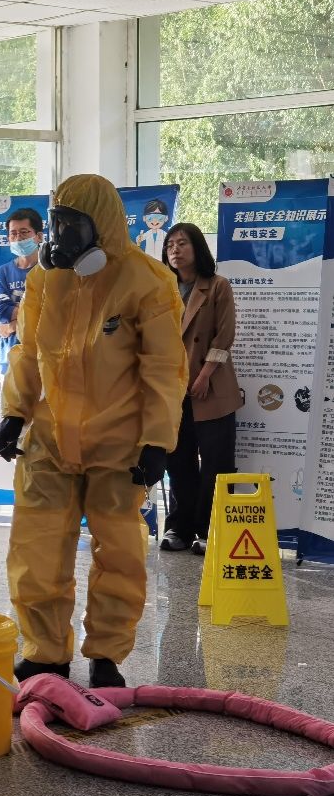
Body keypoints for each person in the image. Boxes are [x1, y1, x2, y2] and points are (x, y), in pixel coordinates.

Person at [0, 174, 186, 689]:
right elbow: (28, 350)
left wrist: (157, 440)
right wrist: (15, 411)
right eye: (55, 223)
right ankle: (45, 653)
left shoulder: (148, 281)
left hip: (118, 443)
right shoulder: (45, 279)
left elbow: (165, 369)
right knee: (36, 550)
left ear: (100, 226)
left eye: (70, 225)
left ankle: (106, 654)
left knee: (119, 552)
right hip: (50, 440)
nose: (59, 236)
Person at [160, 223, 243, 555]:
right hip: (172, 389)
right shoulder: (162, 290)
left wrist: (205, 374)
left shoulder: (217, 285)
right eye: (170, 245)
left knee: (215, 462)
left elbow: (225, 335)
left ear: (198, 248)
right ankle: (178, 528)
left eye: (182, 243)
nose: (175, 250)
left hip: (212, 387)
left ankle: (210, 530)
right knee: (178, 461)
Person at [0, 208, 43, 375]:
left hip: (43, 357)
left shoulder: (51, 271)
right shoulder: (2, 272)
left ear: (39, 236)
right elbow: (0, 311)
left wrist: (13, 324)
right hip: (9, 358)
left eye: (24, 232)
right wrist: (34, 312)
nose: (18, 238)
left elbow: (53, 312)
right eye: (13, 233)